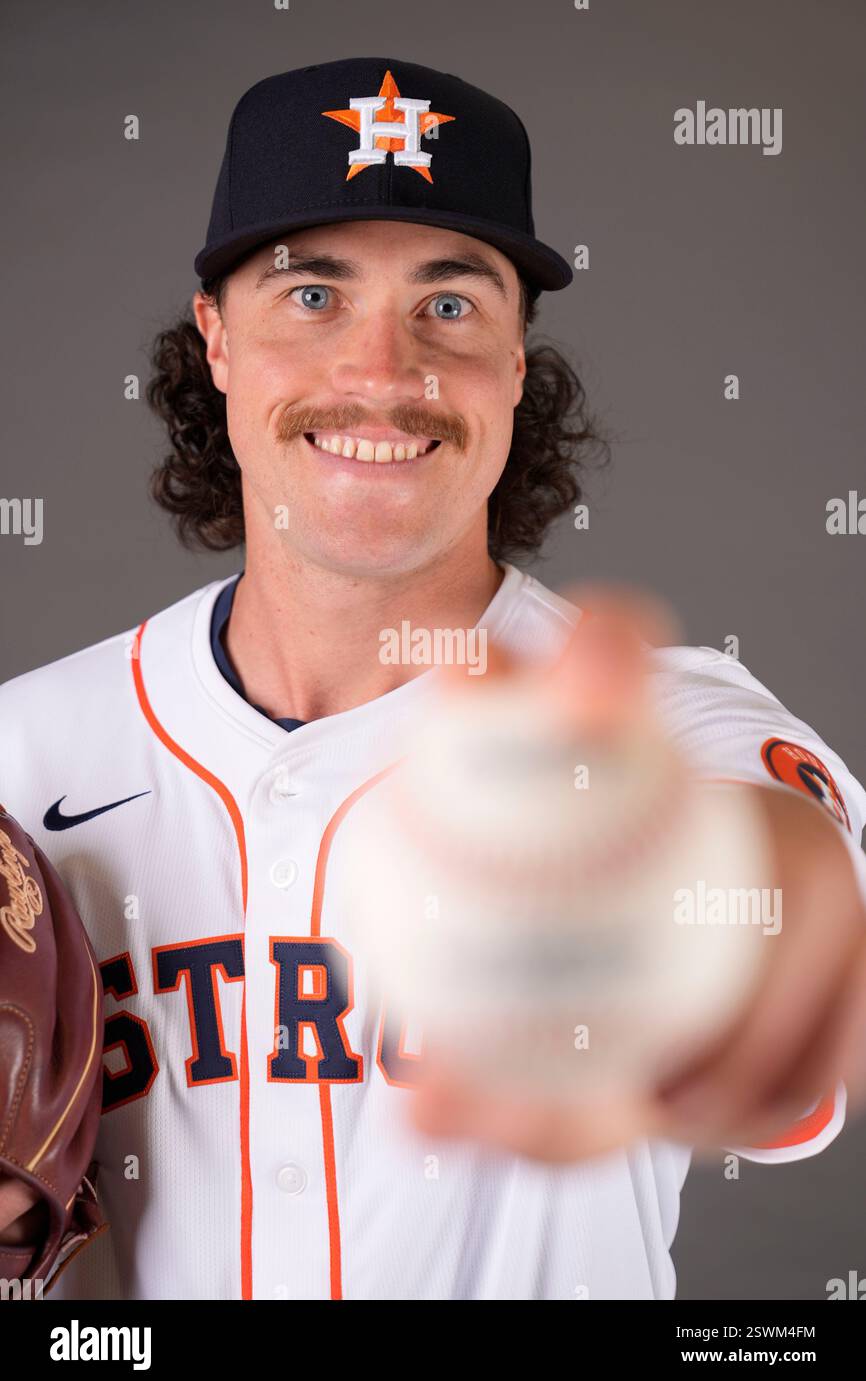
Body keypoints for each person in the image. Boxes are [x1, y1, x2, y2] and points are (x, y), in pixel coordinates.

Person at [2, 56, 865, 1300]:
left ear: (517, 361)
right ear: (217, 341)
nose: (383, 372)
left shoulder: (659, 724)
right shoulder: (27, 755)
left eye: (449, 307)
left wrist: (706, 905)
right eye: (310, 293)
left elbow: (782, 894)